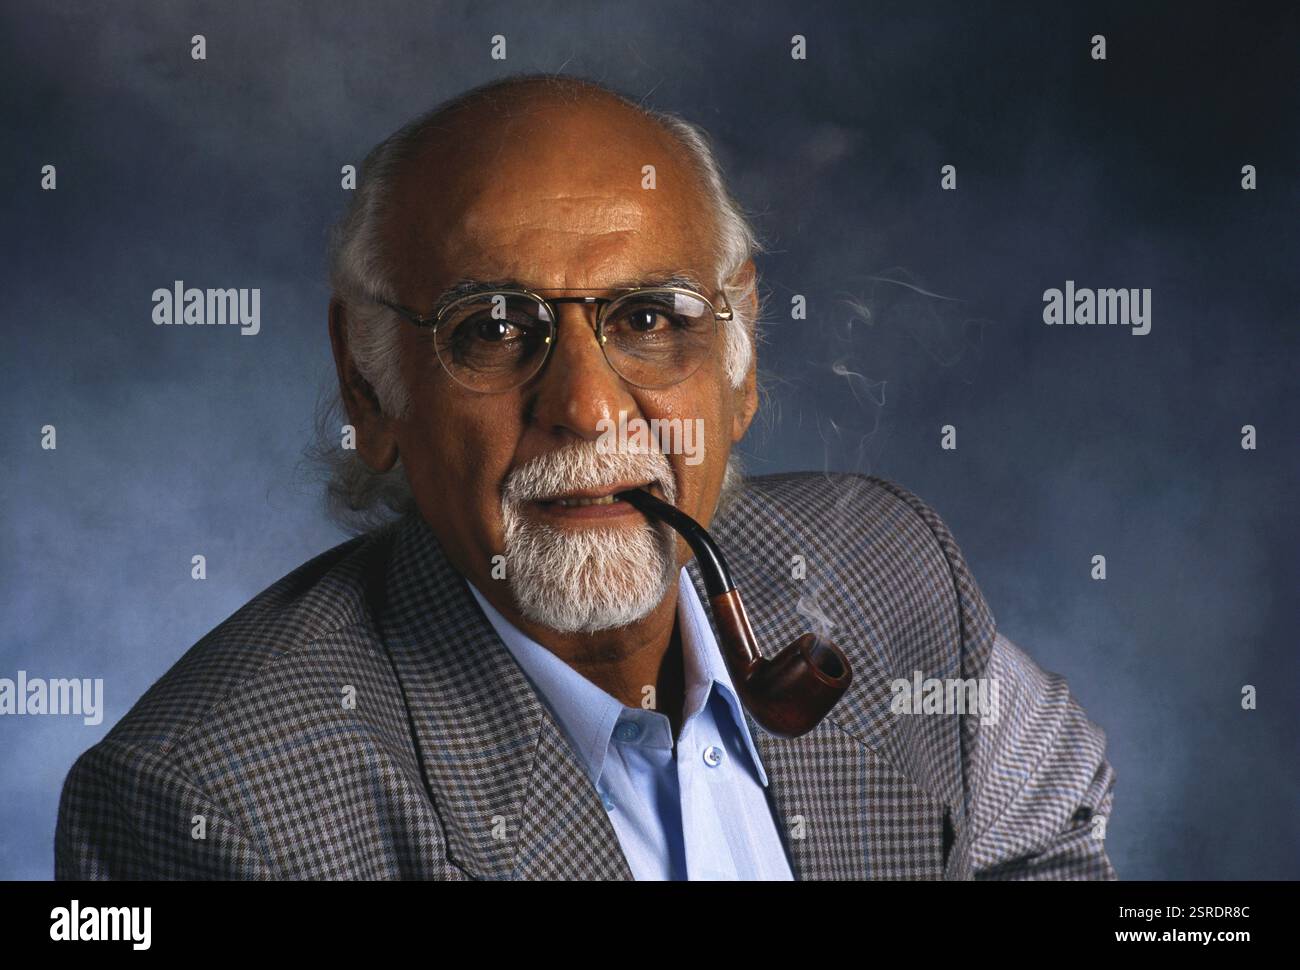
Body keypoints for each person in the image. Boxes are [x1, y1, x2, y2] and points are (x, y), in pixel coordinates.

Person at [55, 74, 1116, 880]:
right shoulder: (209, 804)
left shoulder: (890, 568)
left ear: (737, 357)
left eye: (648, 318)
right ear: (371, 392)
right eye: (492, 328)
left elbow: (1047, 843)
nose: (588, 408)